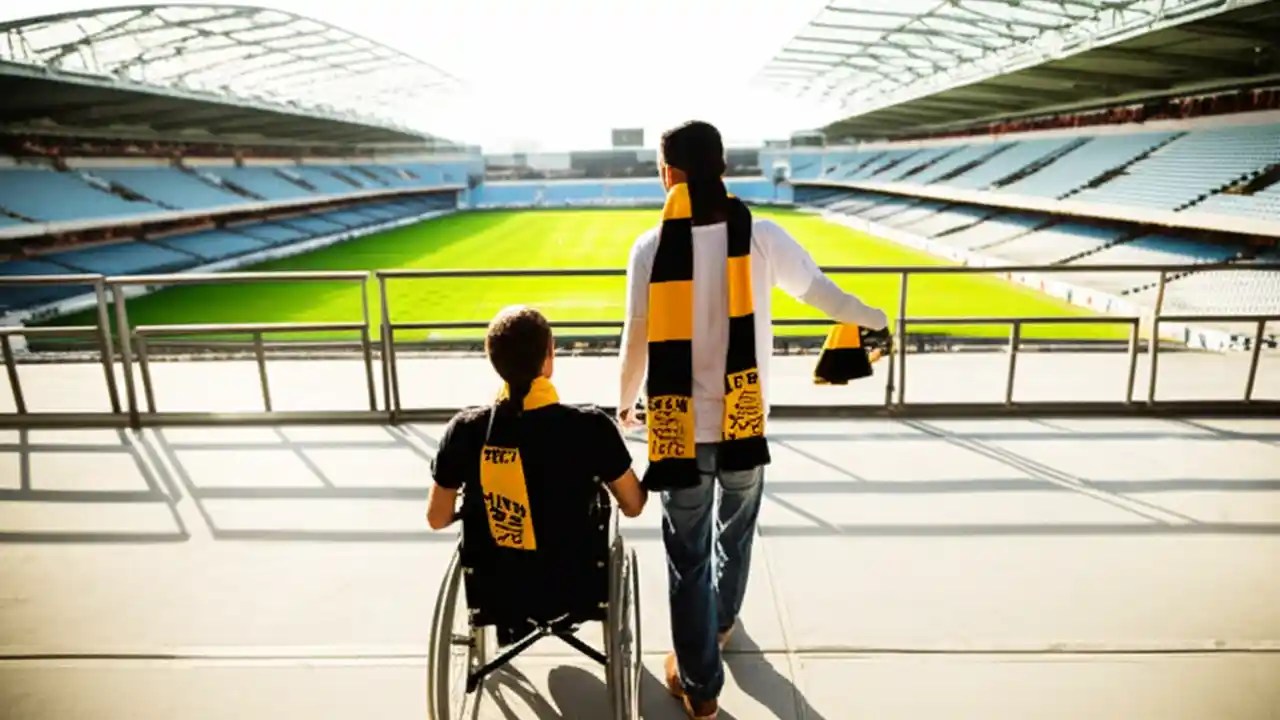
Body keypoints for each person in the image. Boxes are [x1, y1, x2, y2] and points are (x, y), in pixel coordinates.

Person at [618, 121, 888, 720]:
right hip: (745, 425)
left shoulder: (650, 247)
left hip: (677, 431)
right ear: (722, 165)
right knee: (734, 534)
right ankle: (719, 626)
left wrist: (624, 400)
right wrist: (876, 316)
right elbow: (821, 292)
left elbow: (636, 340)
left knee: (686, 559)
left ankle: (700, 687)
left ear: (671, 173)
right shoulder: (761, 236)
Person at [427, 304, 646, 533]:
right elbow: (633, 505)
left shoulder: (464, 431)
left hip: (493, 568)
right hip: (574, 567)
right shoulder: (594, 428)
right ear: (549, 355)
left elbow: (437, 519)